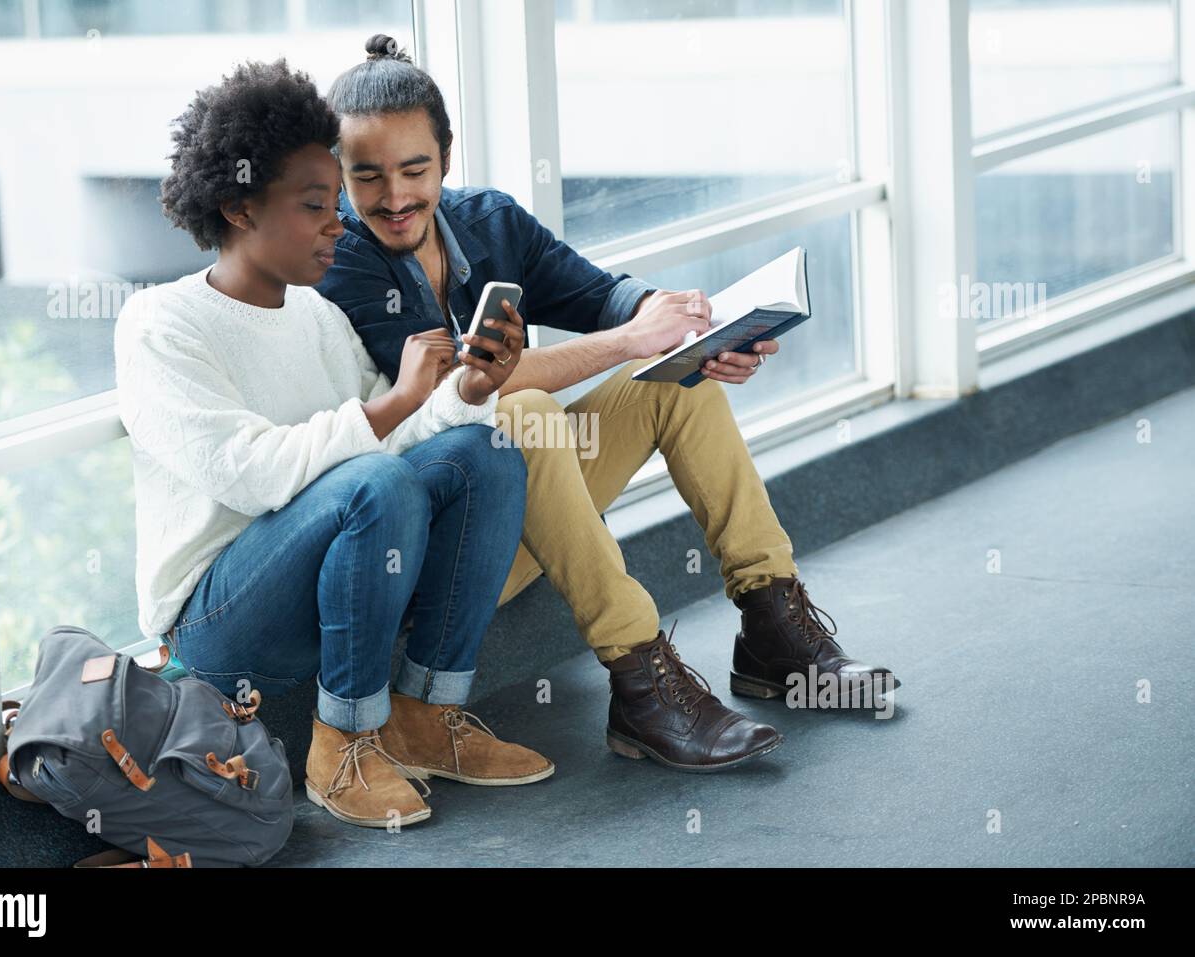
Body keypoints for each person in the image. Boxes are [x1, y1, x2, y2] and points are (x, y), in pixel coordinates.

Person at [316, 36, 900, 773]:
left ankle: (773, 629)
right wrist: (629, 340)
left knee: (675, 385)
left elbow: (602, 295)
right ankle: (640, 679)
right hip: (433, 560)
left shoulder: (489, 221)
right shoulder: (339, 261)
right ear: (339, 172)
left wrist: (689, 326)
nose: (395, 197)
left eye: (414, 170)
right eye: (367, 176)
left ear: (447, 158)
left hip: (523, 520)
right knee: (521, 413)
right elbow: (460, 388)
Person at [113, 58, 551, 831]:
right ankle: (341, 743)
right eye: (315, 204)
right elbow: (254, 473)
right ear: (239, 207)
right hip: (219, 624)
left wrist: (467, 391)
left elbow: (401, 436)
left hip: (333, 582)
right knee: (373, 483)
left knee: (482, 453)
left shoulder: (316, 315)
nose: (338, 223)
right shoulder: (161, 324)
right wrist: (394, 401)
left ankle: (424, 715)